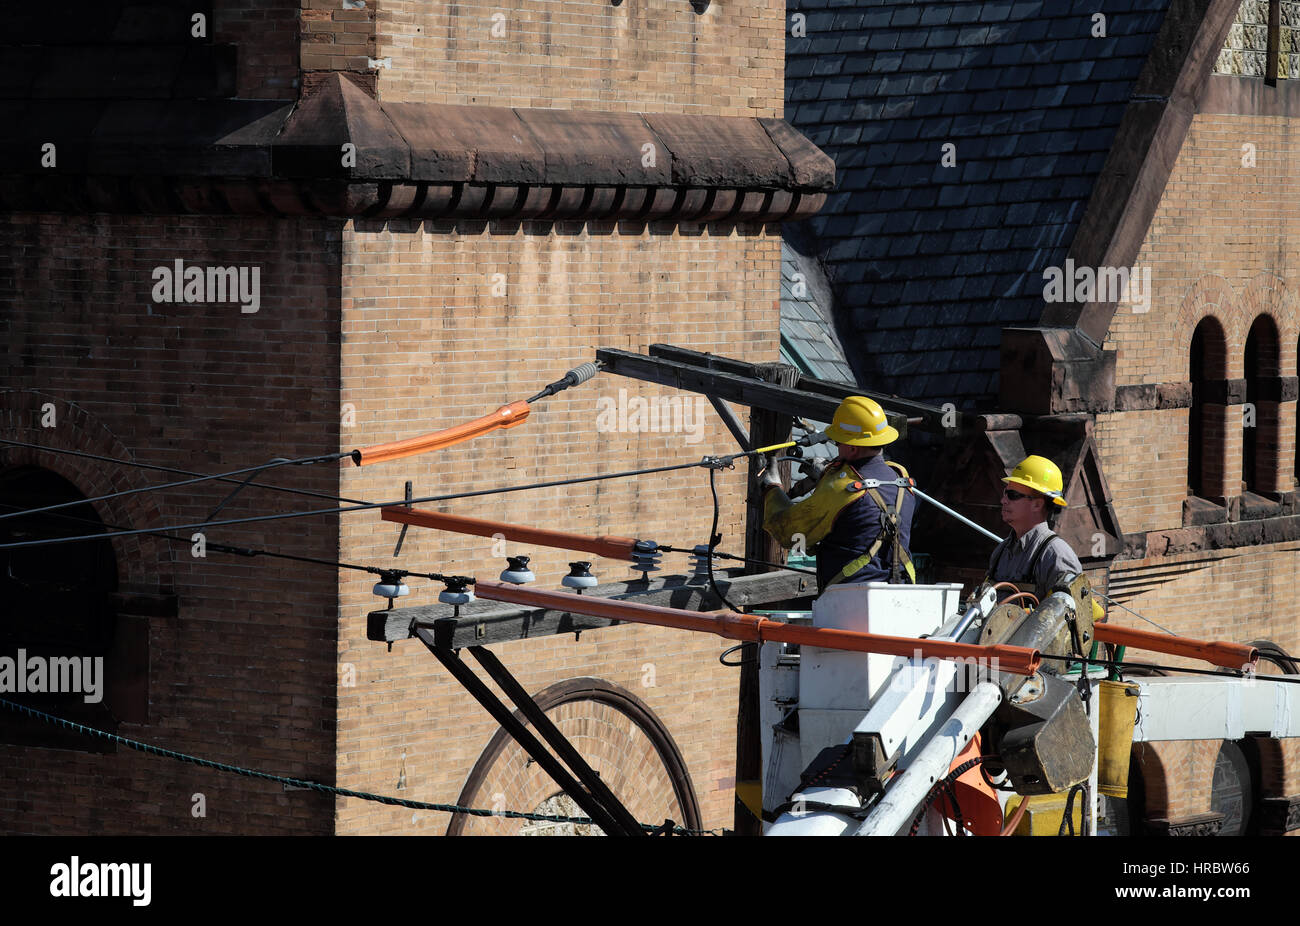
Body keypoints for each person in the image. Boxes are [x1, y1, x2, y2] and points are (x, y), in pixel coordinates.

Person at [761, 396, 915, 591]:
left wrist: (772, 488)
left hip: (850, 599)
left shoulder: (842, 488)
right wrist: (827, 475)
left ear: (852, 447)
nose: (836, 446)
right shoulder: (901, 477)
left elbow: (789, 532)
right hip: (903, 592)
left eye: (839, 442)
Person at [985, 455, 1083, 601]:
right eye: (1005, 493)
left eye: (1012, 495)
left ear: (1037, 504)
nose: (1003, 500)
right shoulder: (1001, 551)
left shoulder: (1056, 556)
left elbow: (1070, 616)